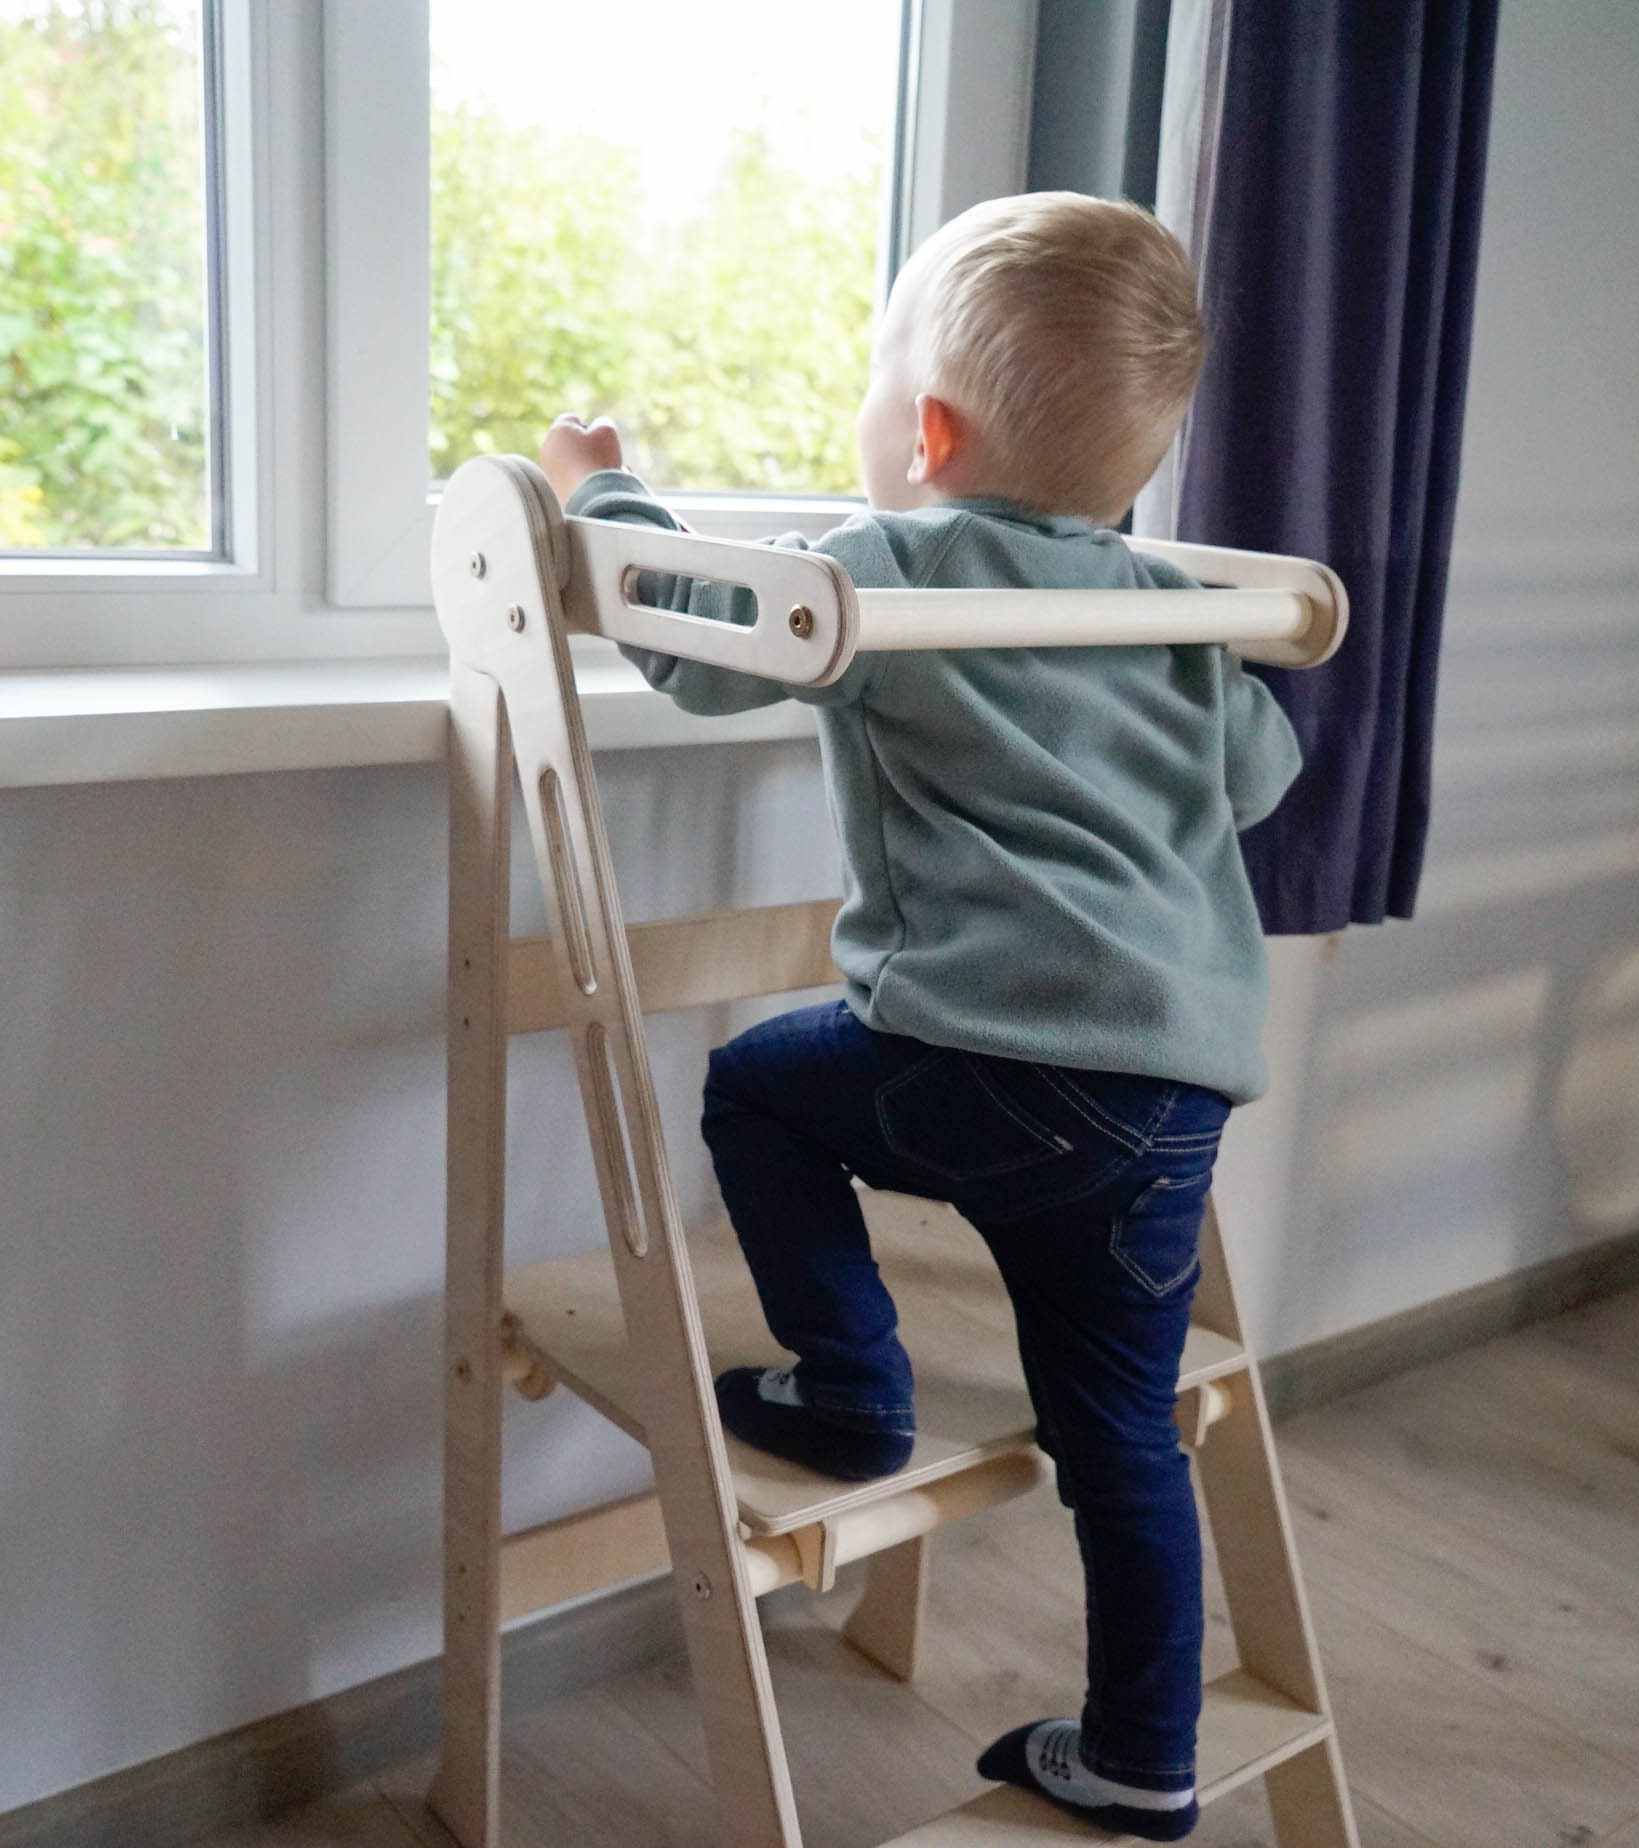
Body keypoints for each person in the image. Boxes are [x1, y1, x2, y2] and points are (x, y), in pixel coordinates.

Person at [534, 191, 1300, 1844]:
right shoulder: (1168, 605)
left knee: (759, 1088)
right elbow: (1260, 776)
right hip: (1171, 1112)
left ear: (929, 434)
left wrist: (602, 493)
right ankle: (1146, 1755)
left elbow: (702, 645)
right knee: (1122, 1435)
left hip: (991, 1070)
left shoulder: (886, 565)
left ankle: (851, 1389)